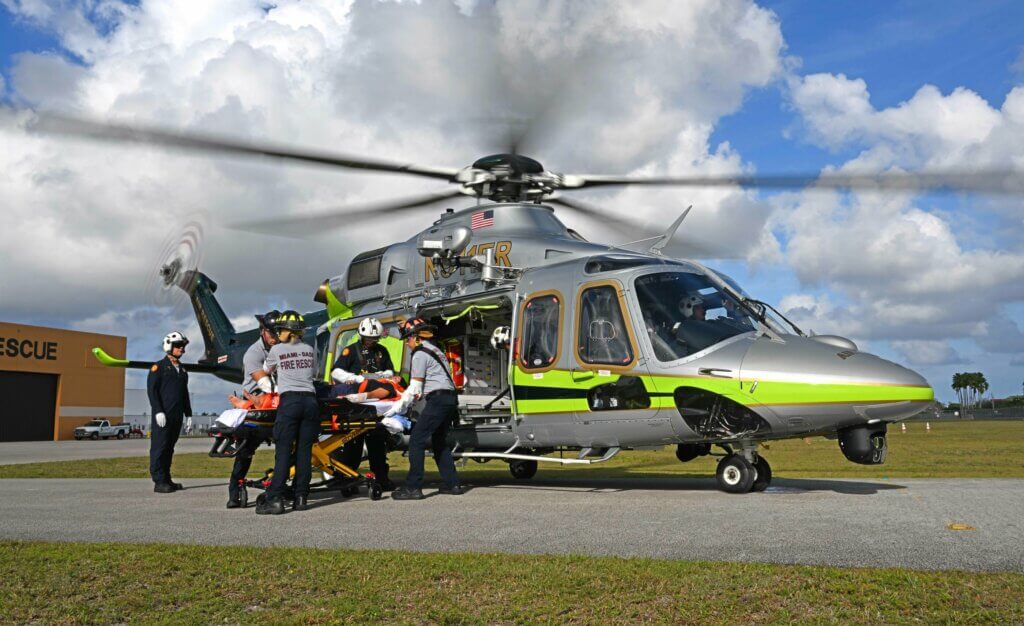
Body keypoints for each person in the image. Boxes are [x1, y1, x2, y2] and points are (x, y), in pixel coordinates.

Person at [389, 318, 465, 500]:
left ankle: (413, 487)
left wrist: (396, 408)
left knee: (416, 440)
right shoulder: (436, 350)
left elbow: (416, 387)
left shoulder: (419, 354)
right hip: (449, 399)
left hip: (438, 400)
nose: (407, 343)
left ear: (416, 337)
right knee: (439, 442)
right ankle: (453, 484)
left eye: (408, 339)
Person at [255, 311, 319, 515]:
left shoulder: (277, 349)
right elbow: (314, 373)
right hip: (310, 401)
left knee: (283, 451)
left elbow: (266, 369)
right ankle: (301, 497)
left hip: (290, 401)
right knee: (304, 452)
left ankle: (275, 498)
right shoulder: (309, 349)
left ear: (286, 331)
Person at [330, 317, 397, 490]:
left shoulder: (382, 351)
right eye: (369, 339)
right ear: (361, 335)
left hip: (376, 404)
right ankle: (348, 480)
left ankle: (381, 478)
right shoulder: (351, 351)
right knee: (353, 444)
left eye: (374, 339)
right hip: (357, 403)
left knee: (377, 442)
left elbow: (391, 371)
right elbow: (336, 372)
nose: (371, 342)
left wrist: (384, 375)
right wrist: (353, 378)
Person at [226, 310, 280, 509]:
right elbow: (264, 383)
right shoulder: (254, 353)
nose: (275, 337)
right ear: (263, 331)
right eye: (272, 333)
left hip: (276, 403)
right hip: (255, 405)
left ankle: (279, 483)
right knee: (245, 450)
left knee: (285, 444)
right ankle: (234, 492)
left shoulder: (282, 348)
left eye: (278, 333)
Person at [147, 331, 192, 494]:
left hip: (176, 416)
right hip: (163, 416)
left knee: (169, 448)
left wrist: (188, 414)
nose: (182, 349)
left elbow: (184, 394)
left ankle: (166, 479)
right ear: (169, 346)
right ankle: (159, 481)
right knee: (160, 447)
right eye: (179, 346)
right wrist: (158, 411)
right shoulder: (158, 367)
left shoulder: (183, 370)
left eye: (183, 346)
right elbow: (152, 392)